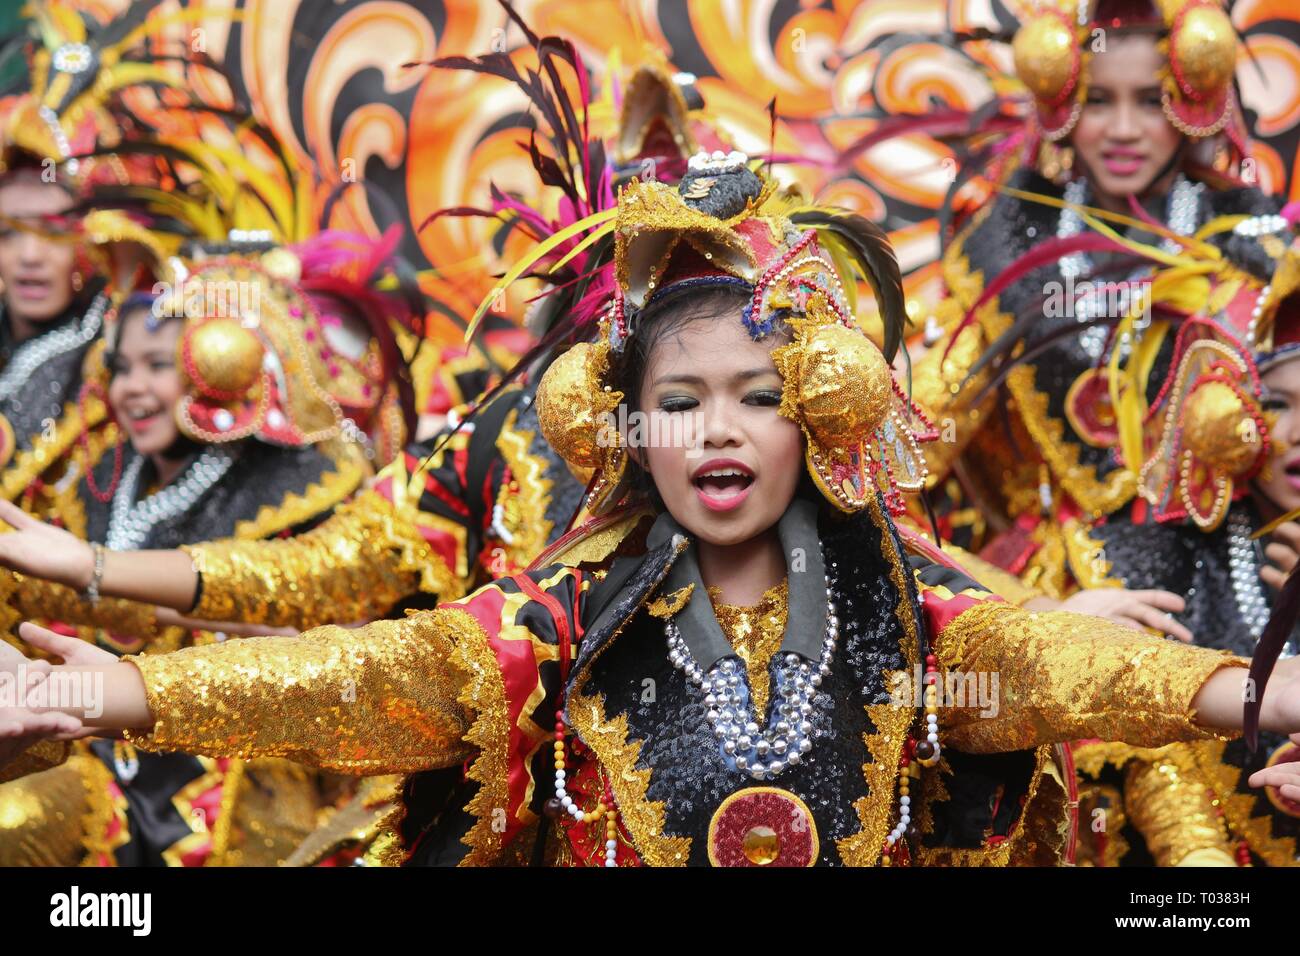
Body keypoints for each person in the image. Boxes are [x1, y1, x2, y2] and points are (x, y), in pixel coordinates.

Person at [6, 155, 1300, 869]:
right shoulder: (558, 619)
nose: (718, 428)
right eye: (679, 400)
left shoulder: (909, 621)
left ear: (815, 417)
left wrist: (1261, 693)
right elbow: (367, 671)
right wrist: (119, 692)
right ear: (623, 425)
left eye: (755, 396)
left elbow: (1064, 667)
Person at [0, 245, 376, 867]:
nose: (132, 389)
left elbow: (325, 651)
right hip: (94, 737)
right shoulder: (93, 481)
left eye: (156, 366)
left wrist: (102, 583)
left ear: (218, 367)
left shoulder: (301, 489)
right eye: (120, 368)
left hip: (234, 755)